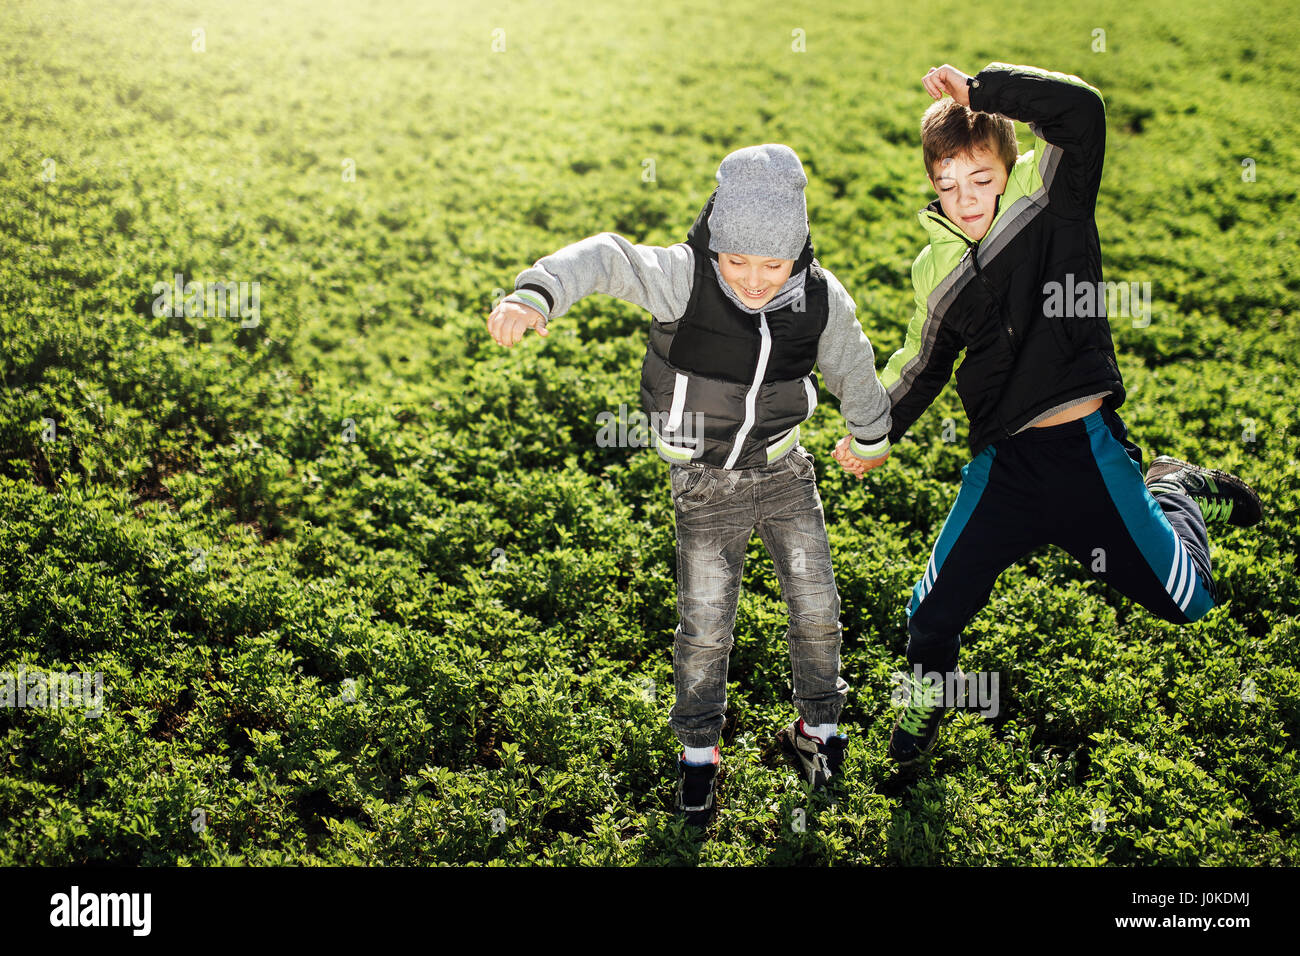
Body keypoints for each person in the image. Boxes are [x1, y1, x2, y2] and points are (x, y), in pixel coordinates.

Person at [833, 63, 1262, 766]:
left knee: (1190, 604)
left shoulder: (1050, 202)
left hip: (1087, 458)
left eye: (979, 178)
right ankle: (920, 723)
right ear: (932, 185)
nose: (966, 199)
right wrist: (874, 436)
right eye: (947, 184)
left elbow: (1082, 111)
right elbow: (923, 361)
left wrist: (985, 92)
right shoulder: (935, 267)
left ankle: (1173, 486)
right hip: (1004, 468)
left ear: (1007, 167)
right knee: (930, 614)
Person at [488, 144, 892, 826]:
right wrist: (537, 292)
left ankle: (816, 731)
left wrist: (871, 434)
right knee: (707, 628)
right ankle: (699, 757)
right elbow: (607, 257)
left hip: (788, 474)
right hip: (706, 486)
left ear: (798, 249)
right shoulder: (682, 276)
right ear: (715, 245)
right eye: (738, 261)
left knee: (817, 610)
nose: (756, 280)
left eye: (774, 263)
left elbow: (853, 362)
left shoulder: (820, 297)